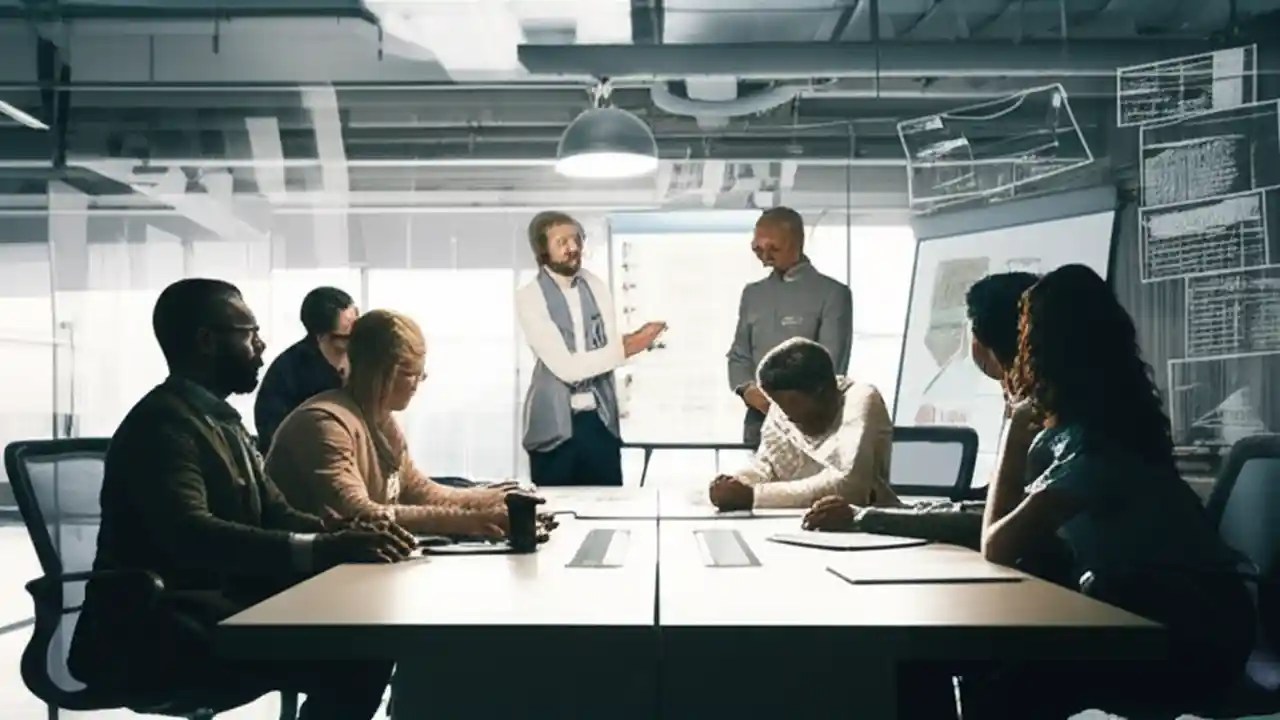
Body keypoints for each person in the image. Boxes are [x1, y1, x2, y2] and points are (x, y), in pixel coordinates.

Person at [69, 278, 414, 720]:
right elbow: (194, 535)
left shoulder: (219, 419)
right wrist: (322, 549)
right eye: (250, 334)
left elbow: (274, 512)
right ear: (207, 341)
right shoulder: (162, 425)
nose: (262, 345)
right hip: (156, 632)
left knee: (363, 643)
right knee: (357, 653)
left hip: (214, 610)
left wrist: (338, 533)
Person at [958, 264, 1255, 718]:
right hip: (1184, 619)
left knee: (1003, 681)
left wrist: (1014, 433)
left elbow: (997, 544)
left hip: (1193, 638)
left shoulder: (1097, 451)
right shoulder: (1115, 425)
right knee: (999, 669)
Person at [803, 271, 1042, 546]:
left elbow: (998, 521)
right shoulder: (1025, 398)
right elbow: (989, 505)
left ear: (977, 338)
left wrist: (864, 517)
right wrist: (894, 512)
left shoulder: (1036, 410)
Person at [268, 309, 545, 536]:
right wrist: (470, 521)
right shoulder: (325, 425)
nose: (417, 383)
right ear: (383, 373)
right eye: (412, 372)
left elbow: (419, 491)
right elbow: (362, 513)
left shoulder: (379, 420)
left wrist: (497, 499)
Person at [516, 210, 665, 486]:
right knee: (555, 506)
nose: (573, 248)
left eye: (576, 239)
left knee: (608, 502)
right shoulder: (530, 296)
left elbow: (606, 347)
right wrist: (628, 346)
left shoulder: (596, 286)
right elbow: (567, 368)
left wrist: (625, 347)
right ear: (542, 250)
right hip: (554, 427)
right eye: (562, 242)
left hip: (600, 422)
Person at [707, 337, 898, 510]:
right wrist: (736, 483)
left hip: (865, 525)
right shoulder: (781, 407)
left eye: (793, 404)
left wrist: (754, 496)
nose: (787, 415)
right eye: (778, 404)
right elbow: (768, 468)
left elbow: (850, 485)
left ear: (822, 391)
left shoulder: (860, 398)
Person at [727, 207, 853, 449]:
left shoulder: (833, 294)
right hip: (759, 423)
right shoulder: (753, 294)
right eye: (758, 249)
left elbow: (831, 364)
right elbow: (739, 354)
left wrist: (788, 402)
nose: (765, 257)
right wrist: (748, 390)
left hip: (811, 425)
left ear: (797, 243)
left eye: (774, 249)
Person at [254, 286, 357, 453]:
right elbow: (273, 434)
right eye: (347, 336)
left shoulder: (358, 358)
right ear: (321, 336)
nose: (355, 340)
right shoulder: (289, 371)